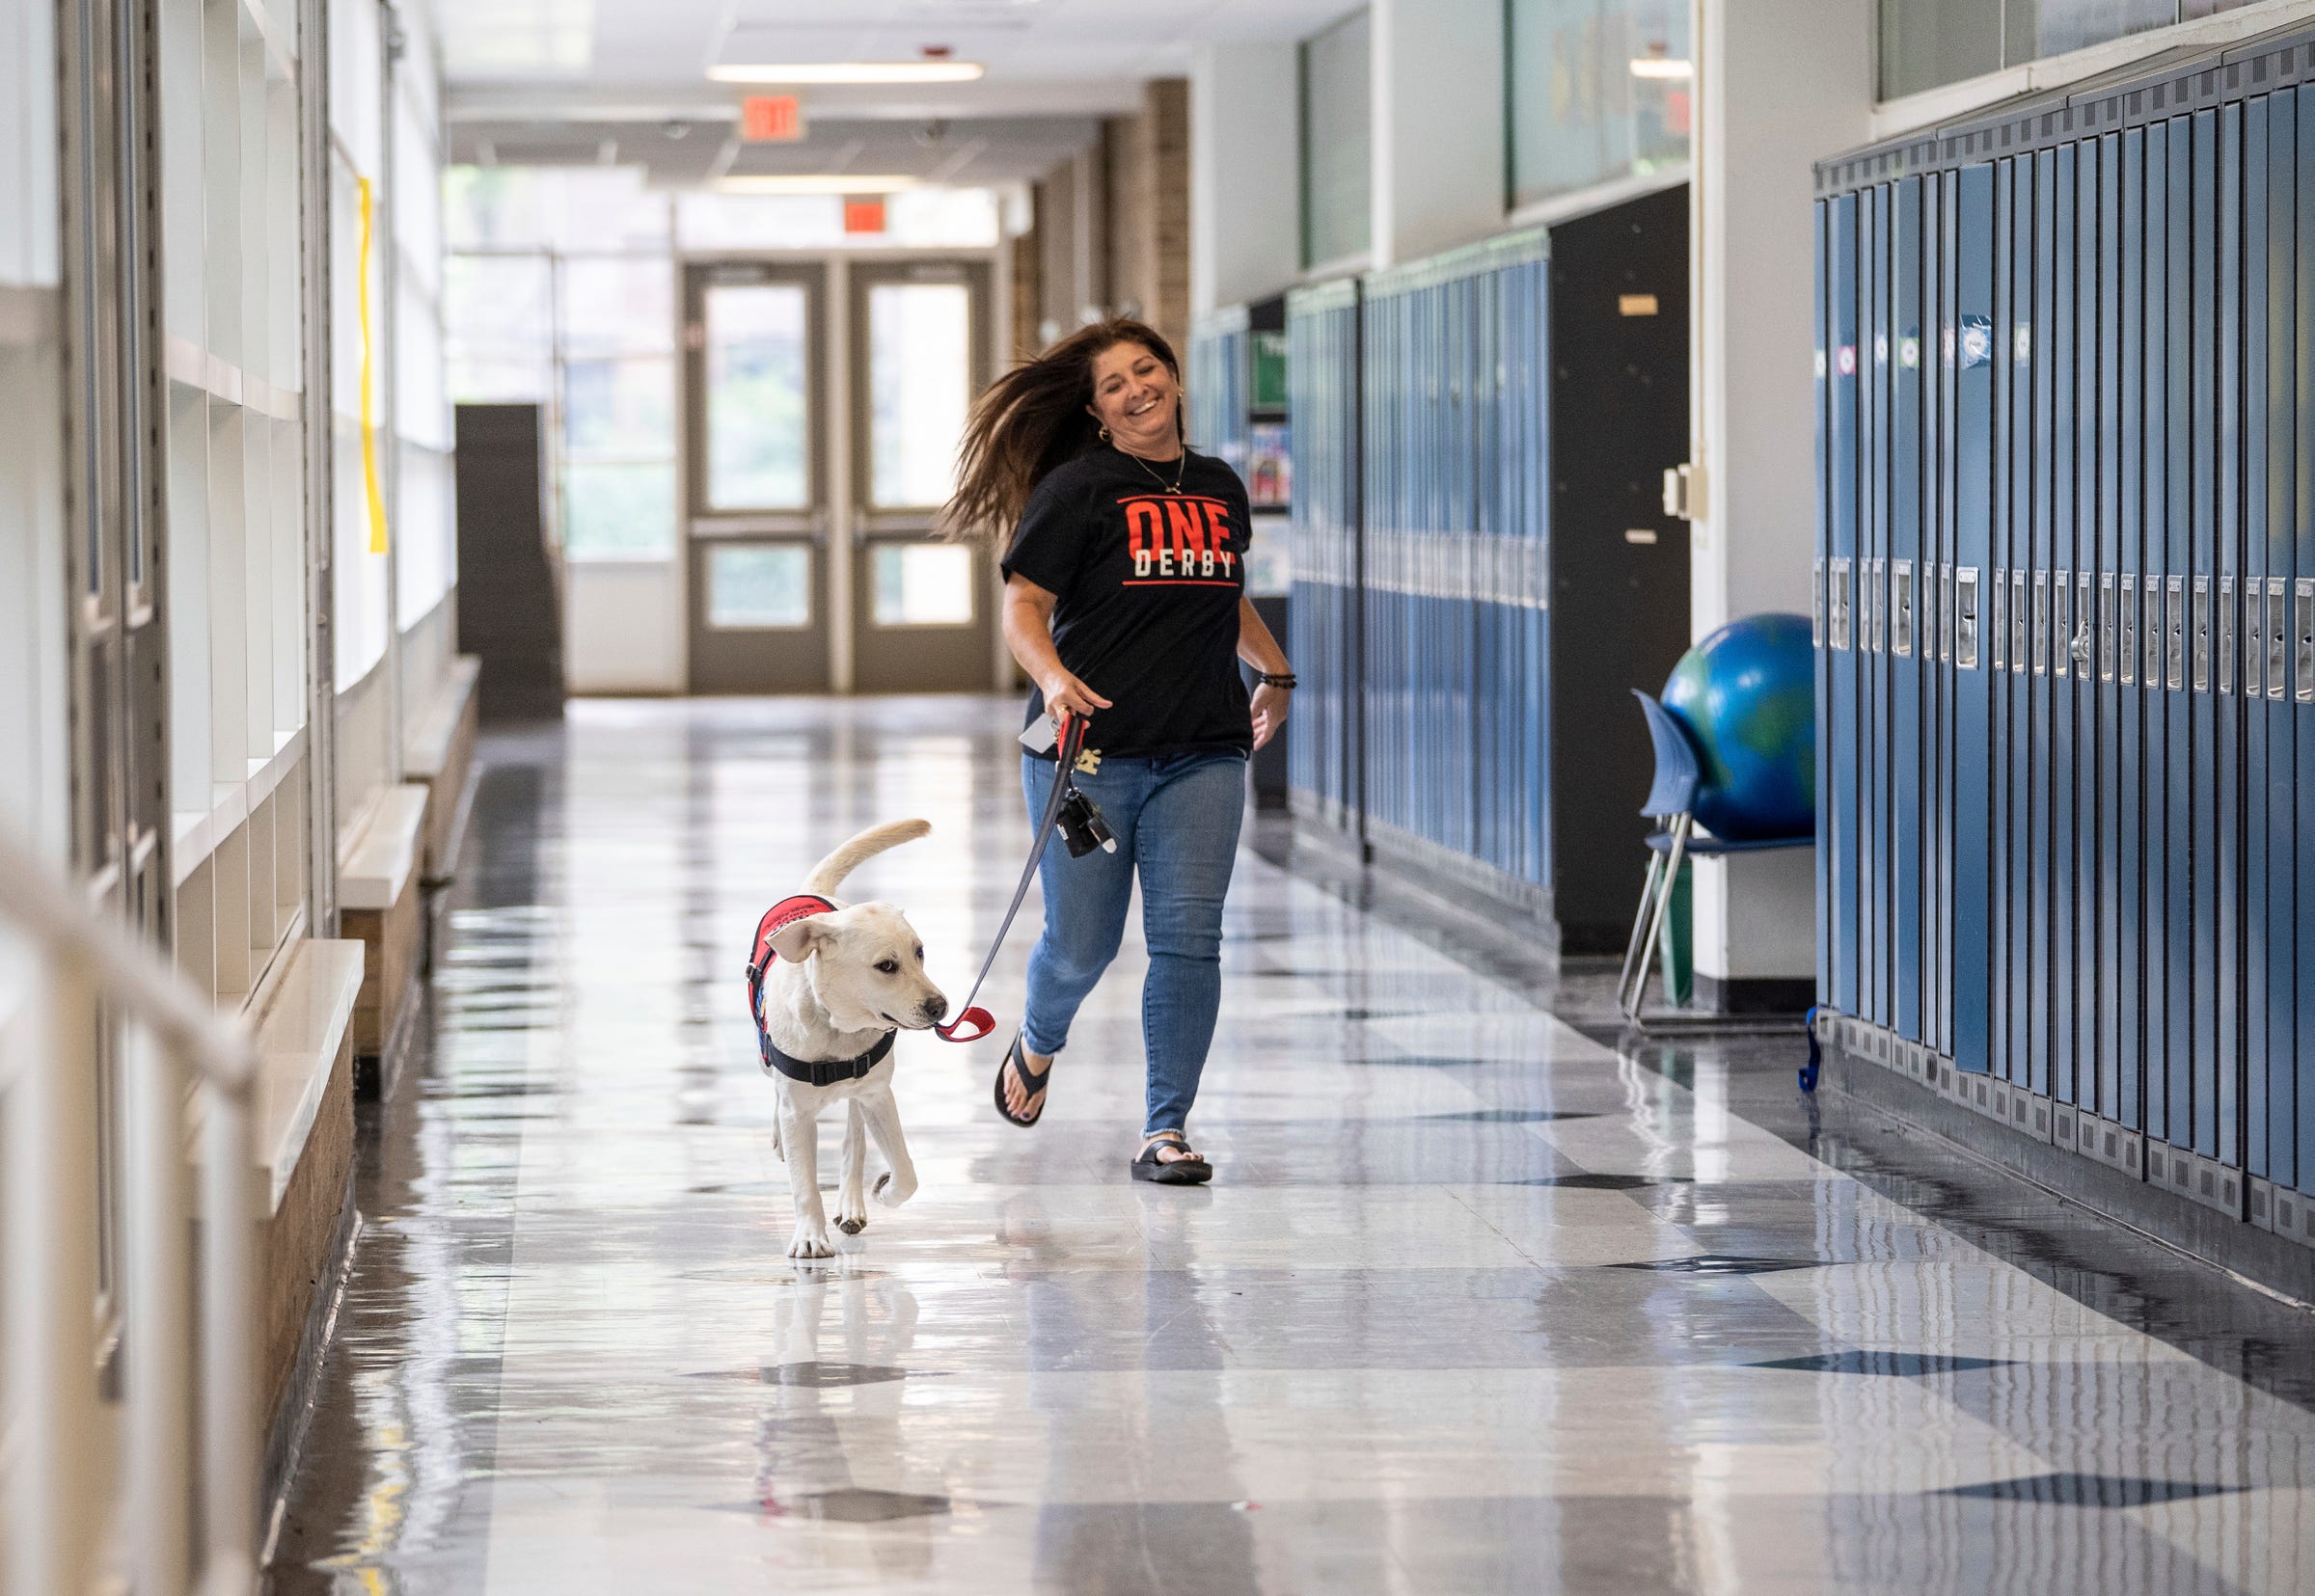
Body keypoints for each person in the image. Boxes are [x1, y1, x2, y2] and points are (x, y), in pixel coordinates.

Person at [940, 319, 1294, 1184]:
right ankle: (1036, 1039)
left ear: (1173, 377)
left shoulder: (1217, 486)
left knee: (1187, 938)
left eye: (1148, 370)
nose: (1138, 388)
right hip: (1085, 754)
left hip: (1204, 749)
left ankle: (1165, 1128)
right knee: (1082, 945)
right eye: (1114, 384)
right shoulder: (1078, 489)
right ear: (1097, 411)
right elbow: (1024, 605)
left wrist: (1276, 671)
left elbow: (1216, 592)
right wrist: (1054, 678)